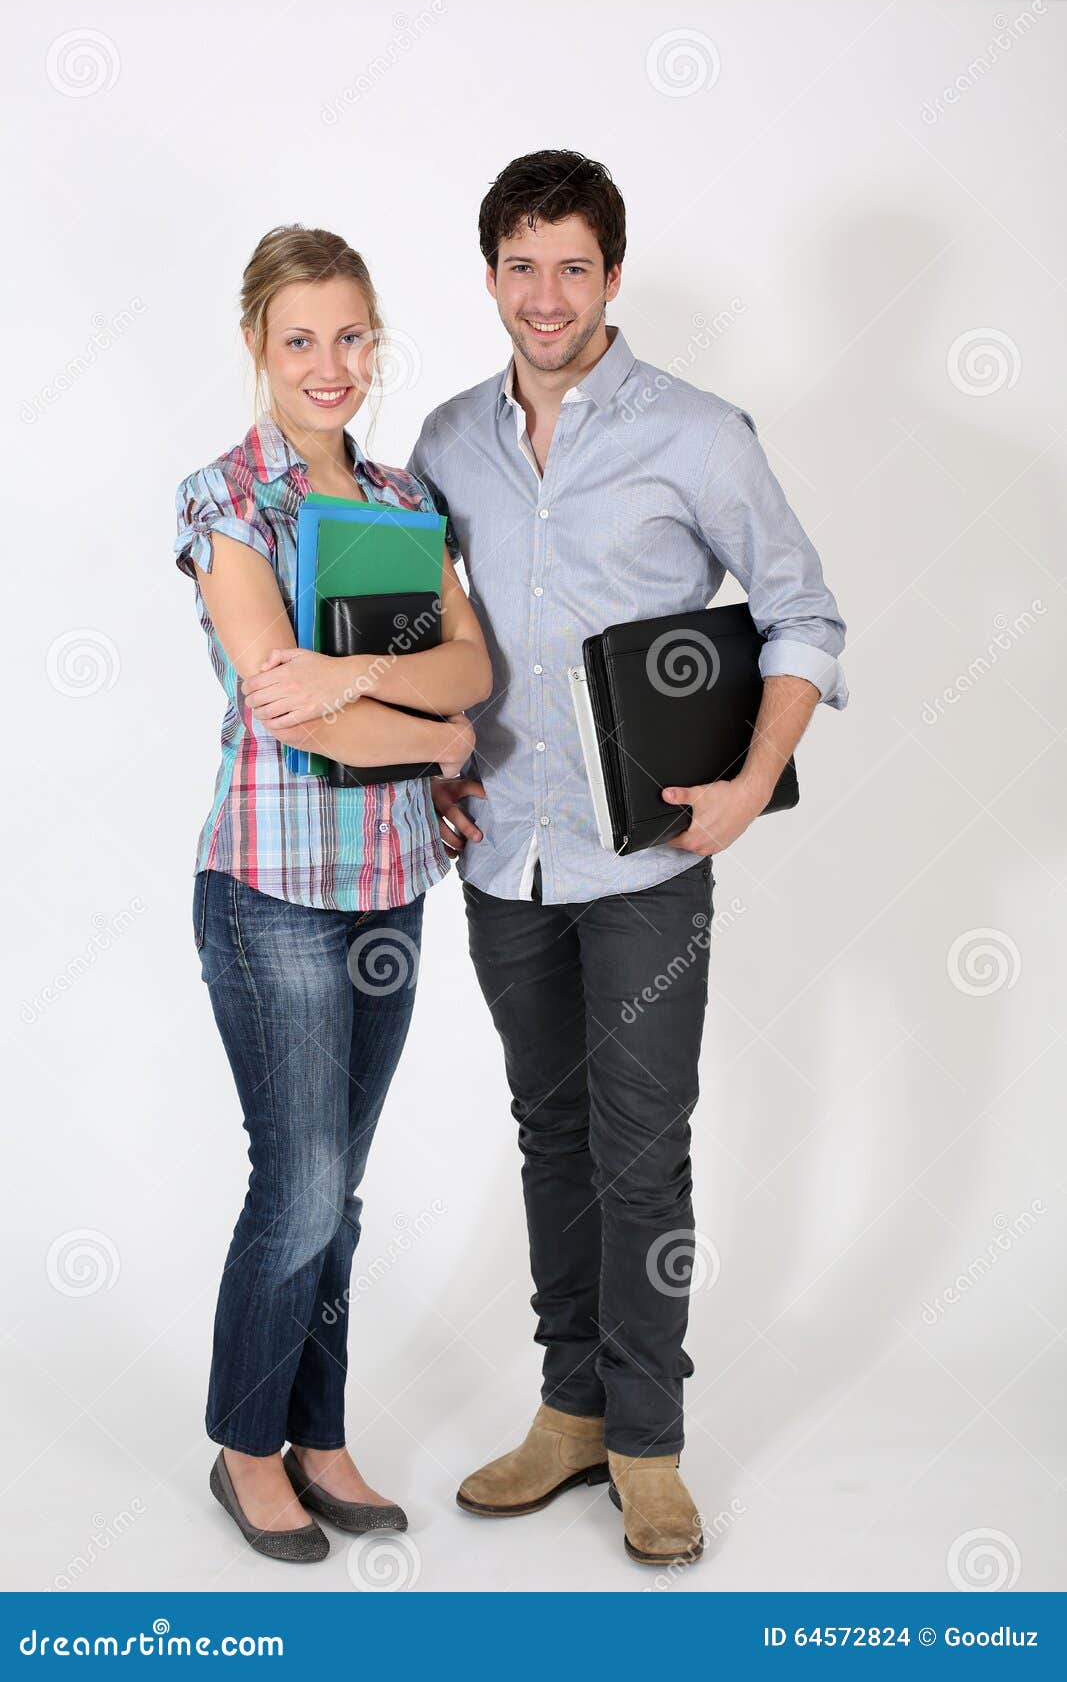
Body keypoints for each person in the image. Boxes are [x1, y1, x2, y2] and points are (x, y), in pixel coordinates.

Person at [409, 151, 849, 1568]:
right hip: (505, 861)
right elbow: (419, 638)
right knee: (554, 1139)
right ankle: (572, 1410)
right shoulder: (444, 440)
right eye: (521, 266)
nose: (547, 295)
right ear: (490, 277)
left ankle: (651, 1448)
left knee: (642, 1155)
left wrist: (751, 781)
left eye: (573, 266)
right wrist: (433, 764)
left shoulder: (700, 434)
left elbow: (802, 615)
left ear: (612, 276)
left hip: (649, 862)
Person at [173, 224, 490, 1562]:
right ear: (257, 344)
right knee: (298, 1182)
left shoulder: (406, 503)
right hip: (272, 891)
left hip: (391, 887)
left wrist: (360, 676)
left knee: (341, 1186)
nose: (330, 363)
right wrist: (427, 727)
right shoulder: (227, 502)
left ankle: (320, 1430)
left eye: (352, 336)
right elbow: (296, 716)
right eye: (300, 337)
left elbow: (471, 664)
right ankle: (246, 1447)